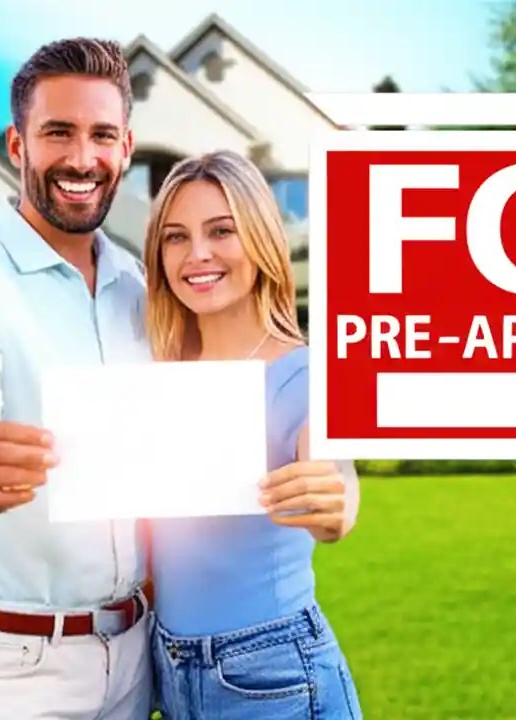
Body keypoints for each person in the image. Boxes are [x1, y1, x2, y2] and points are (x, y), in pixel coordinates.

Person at [0, 37, 155, 720]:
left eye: (102, 134)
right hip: (8, 668)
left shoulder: (137, 284)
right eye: (58, 133)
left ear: (126, 148)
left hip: (136, 652)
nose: (81, 158)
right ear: (17, 146)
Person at [141, 150, 364, 719]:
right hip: (167, 670)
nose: (198, 255)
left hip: (274, 676)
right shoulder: (156, 378)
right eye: (176, 237)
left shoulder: (306, 373)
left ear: (261, 240)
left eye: (222, 231)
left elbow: (336, 484)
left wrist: (333, 505)